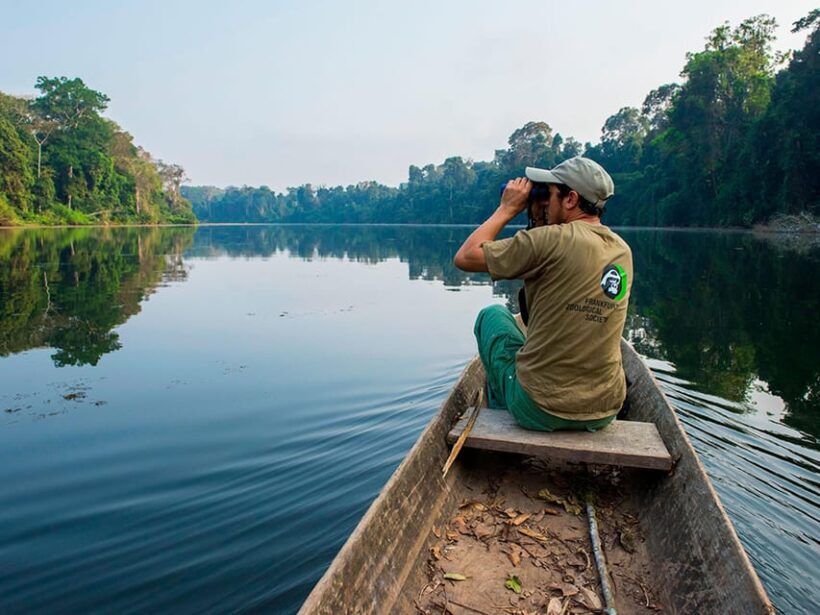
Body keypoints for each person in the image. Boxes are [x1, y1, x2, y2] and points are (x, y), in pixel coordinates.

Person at [453, 157, 632, 431]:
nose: (544, 201)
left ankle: (503, 414)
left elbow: (465, 257)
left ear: (570, 199)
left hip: (539, 407)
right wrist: (540, 217)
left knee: (492, 316)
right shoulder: (622, 250)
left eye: (548, 194)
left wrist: (506, 209)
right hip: (604, 408)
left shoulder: (550, 240)